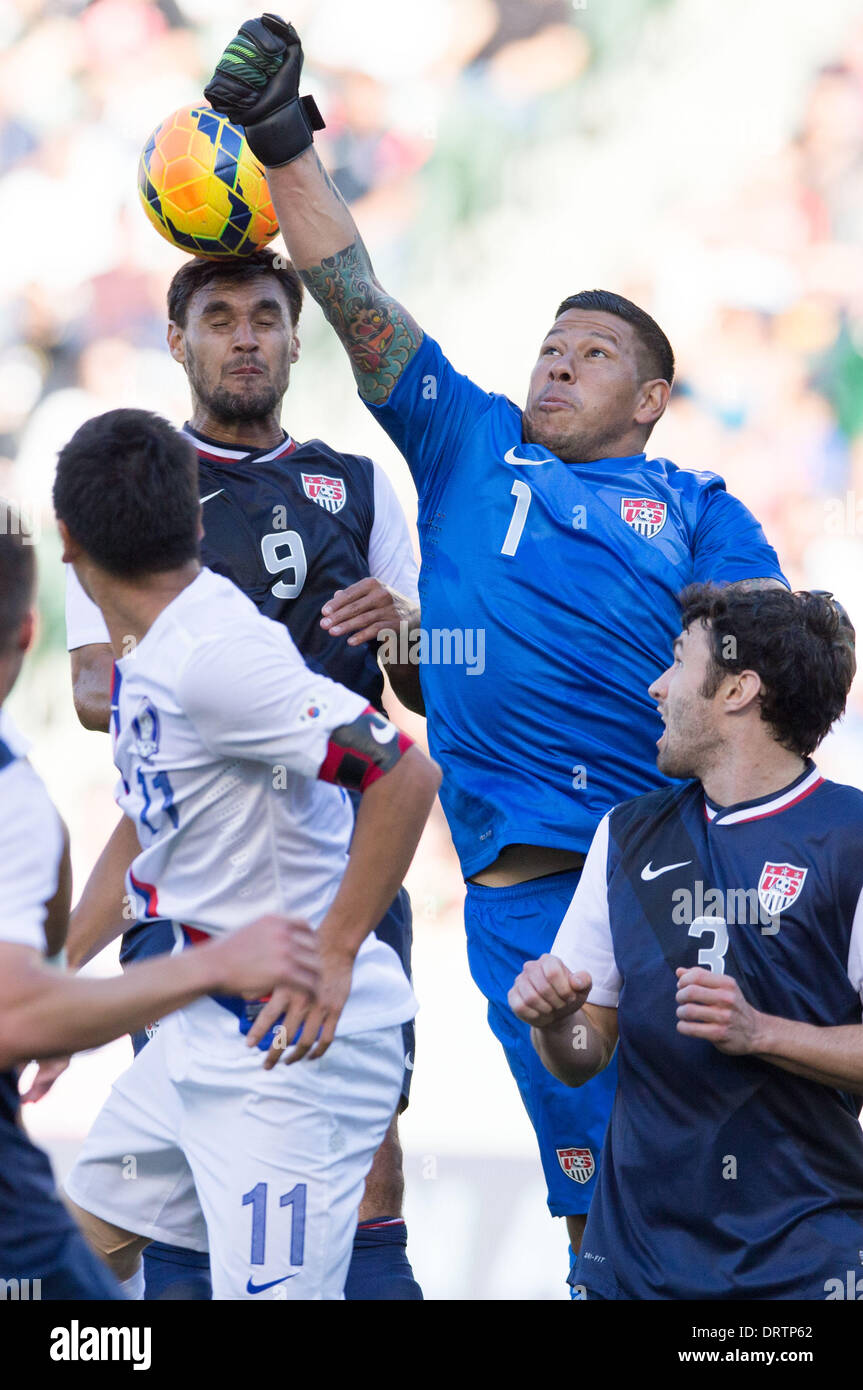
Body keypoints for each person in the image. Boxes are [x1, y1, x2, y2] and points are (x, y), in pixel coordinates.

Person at [202, 16, 789, 1273]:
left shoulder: (695, 505)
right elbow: (356, 297)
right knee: (595, 1183)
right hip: (526, 892)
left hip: (669, 874)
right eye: (549, 346)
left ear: (648, 399)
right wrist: (279, 139)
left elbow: (755, 669)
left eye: (594, 355)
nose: (558, 363)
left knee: (733, 1175)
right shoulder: (465, 440)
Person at [65, 248, 425, 1300]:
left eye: (263, 316)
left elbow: (413, 724)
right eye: (217, 318)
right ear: (178, 342)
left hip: (320, 901)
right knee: (78, 1242)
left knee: (365, 1158)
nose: (244, 336)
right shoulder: (136, 493)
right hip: (204, 926)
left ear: (292, 336)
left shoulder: (353, 488)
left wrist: (403, 630)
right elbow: (108, 722)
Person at [0, 507, 320, 1300]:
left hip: (278, 1027)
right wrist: (211, 965)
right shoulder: (19, 806)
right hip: (232, 1001)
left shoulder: (214, 665)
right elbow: (15, 1015)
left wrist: (61, 977)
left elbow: (393, 771)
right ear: (30, 633)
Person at [509, 584, 863, 1299]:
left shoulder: (850, 838)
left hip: (800, 1269)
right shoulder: (625, 833)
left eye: (676, 661)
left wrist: (760, 1032)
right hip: (632, 1266)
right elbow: (582, 1059)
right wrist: (555, 1025)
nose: (656, 686)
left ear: (737, 688)